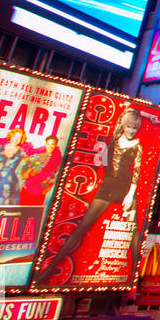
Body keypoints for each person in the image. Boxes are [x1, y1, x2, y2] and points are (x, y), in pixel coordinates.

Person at [35, 108, 145, 286]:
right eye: (130, 127)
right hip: (107, 187)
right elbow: (126, 111)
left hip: (126, 190)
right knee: (82, 227)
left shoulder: (137, 146)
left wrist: (130, 195)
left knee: (134, 232)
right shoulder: (116, 138)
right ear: (125, 125)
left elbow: (137, 173)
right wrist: (147, 115)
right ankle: (47, 271)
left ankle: (134, 276)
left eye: (135, 128)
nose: (132, 131)